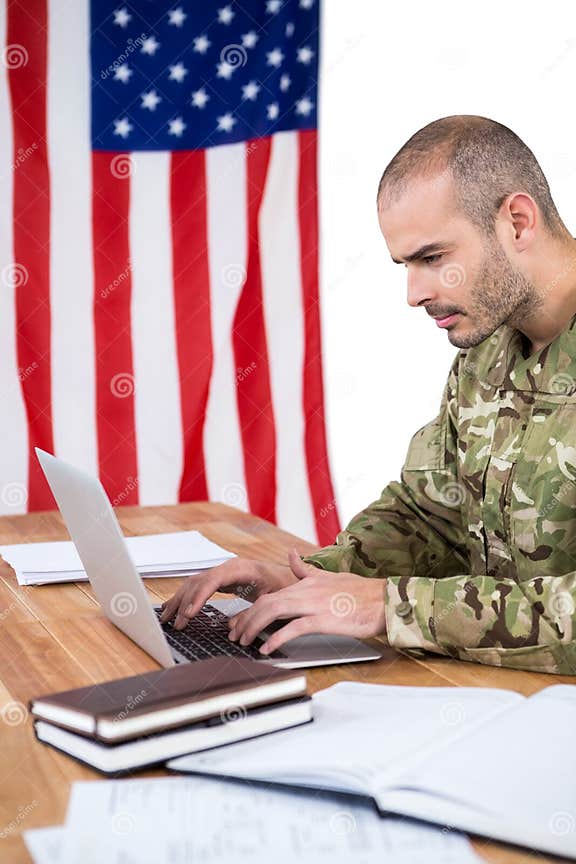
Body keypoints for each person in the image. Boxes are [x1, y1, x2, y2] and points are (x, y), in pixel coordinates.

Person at [161, 115, 576, 674]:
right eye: (405, 265)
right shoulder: (487, 350)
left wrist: (390, 606)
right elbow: (430, 515)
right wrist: (309, 577)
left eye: (433, 258)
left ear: (517, 222)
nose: (415, 292)